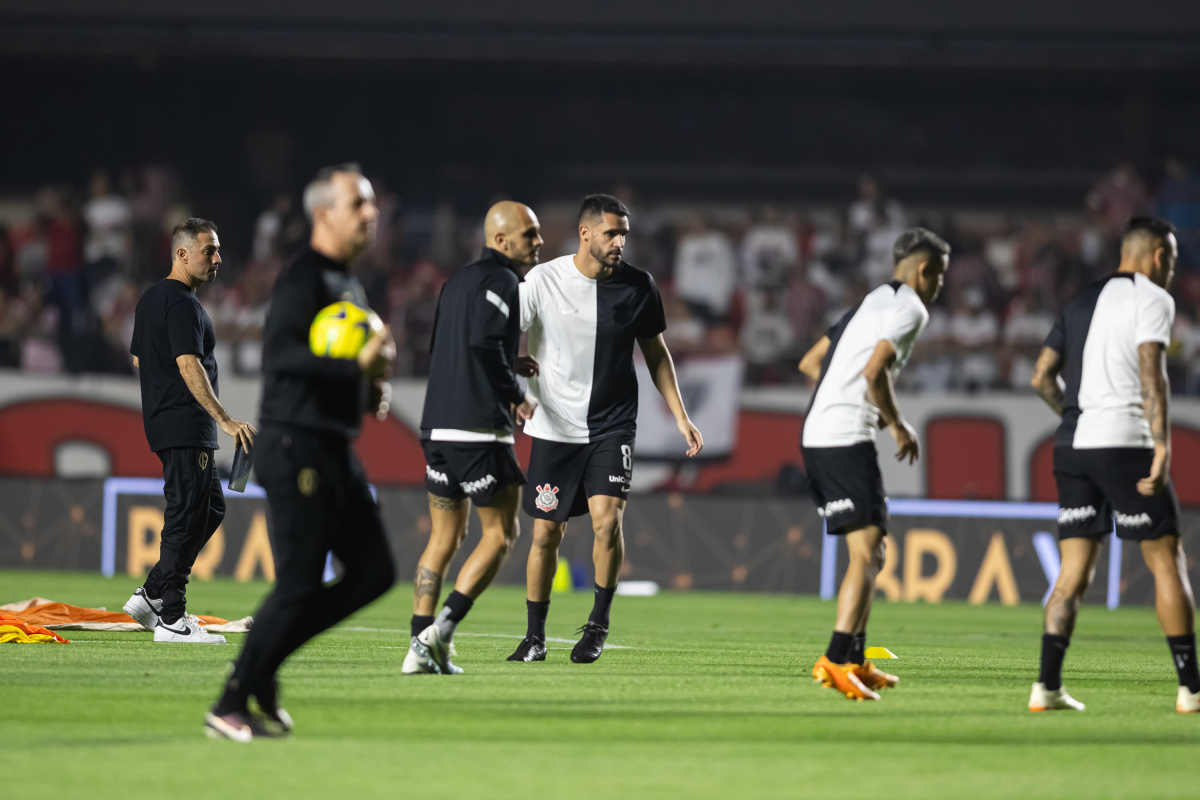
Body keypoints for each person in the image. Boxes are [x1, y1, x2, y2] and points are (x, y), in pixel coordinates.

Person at [206, 164, 397, 741]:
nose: (371, 212)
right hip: (296, 444)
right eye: (357, 203)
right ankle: (233, 699)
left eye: (371, 204)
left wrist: (369, 387)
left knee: (374, 572)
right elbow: (282, 357)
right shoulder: (304, 277)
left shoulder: (347, 281)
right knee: (298, 585)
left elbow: (336, 361)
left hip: (331, 445)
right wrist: (354, 366)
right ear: (323, 214)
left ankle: (262, 675)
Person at [507, 194, 703, 664]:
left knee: (606, 521)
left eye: (624, 235)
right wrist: (514, 382)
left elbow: (656, 354)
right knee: (544, 535)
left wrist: (679, 414)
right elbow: (502, 334)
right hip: (553, 425)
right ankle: (535, 636)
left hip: (612, 425)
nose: (620, 242)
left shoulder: (638, 286)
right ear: (586, 233)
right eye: (612, 233)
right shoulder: (543, 280)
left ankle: (597, 626)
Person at [1028, 215, 1200, 714]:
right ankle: (1191, 688)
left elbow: (1041, 377)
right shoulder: (1154, 298)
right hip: (1126, 442)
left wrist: (1077, 417)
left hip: (1072, 447)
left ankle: (1046, 686)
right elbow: (1153, 371)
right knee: (1166, 559)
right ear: (1159, 257)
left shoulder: (1080, 300)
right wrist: (1162, 444)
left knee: (1072, 573)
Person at [799, 227, 950, 701]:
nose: (939, 286)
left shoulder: (870, 303)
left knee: (873, 552)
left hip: (824, 433)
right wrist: (899, 425)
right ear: (925, 271)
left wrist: (833, 405)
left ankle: (857, 659)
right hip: (844, 436)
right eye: (939, 276)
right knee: (867, 554)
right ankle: (836, 658)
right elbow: (873, 373)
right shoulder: (910, 307)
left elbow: (810, 363)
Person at [401, 201, 543, 675]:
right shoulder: (503, 281)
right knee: (502, 535)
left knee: (445, 536)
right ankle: (440, 631)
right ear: (501, 240)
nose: (538, 241)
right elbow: (482, 344)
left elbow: (454, 342)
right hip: (478, 430)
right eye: (530, 233)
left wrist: (508, 355)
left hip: (437, 427)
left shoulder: (456, 280)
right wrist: (517, 393)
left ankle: (417, 644)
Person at [124, 218, 256, 645]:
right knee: (185, 514)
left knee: (209, 509)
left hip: (168, 421)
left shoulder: (150, 300)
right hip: (186, 423)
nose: (217, 259)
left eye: (217, 250)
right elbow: (188, 363)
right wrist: (224, 419)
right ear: (181, 254)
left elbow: (141, 361)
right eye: (208, 250)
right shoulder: (183, 304)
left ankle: (151, 594)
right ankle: (173, 617)